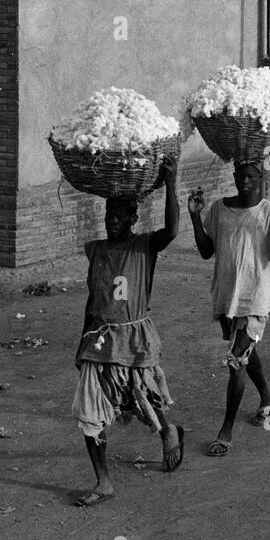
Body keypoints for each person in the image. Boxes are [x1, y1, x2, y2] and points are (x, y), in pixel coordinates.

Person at [71, 155, 184, 506]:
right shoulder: (97, 251)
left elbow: (173, 231)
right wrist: (82, 341)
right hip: (100, 340)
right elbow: (95, 298)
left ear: (134, 219)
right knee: (90, 414)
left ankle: (167, 431)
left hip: (134, 336)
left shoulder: (143, 247)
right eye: (109, 216)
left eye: (121, 217)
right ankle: (103, 482)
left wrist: (171, 182)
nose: (114, 222)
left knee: (140, 396)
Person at [188, 159, 270, 456]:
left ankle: (226, 431)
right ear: (234, 176)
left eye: (251, 175)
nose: (244, 180)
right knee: (247, 353)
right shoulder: (220, 209)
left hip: (256, 298)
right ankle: (268, 399)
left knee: (236, 361)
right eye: (240, 175)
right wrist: (196, 218)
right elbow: (207, 251)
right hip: (227, 296)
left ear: (261, 177)